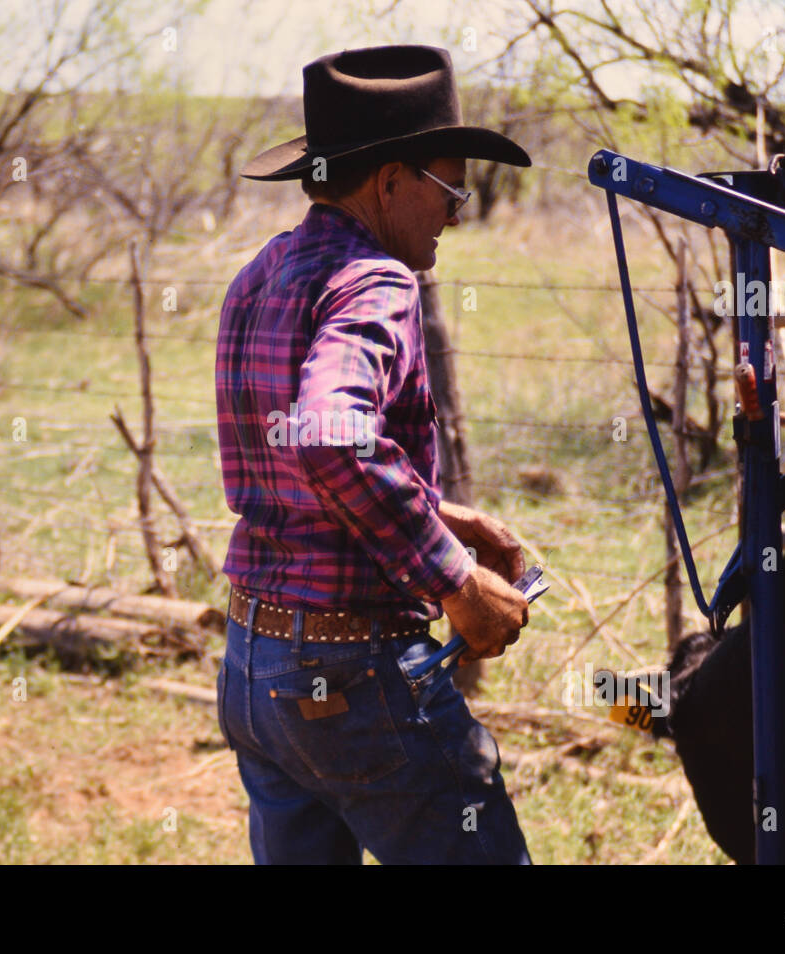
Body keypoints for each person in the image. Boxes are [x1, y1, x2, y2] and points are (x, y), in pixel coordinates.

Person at [214, 44, 534, 864]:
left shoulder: (259, 275)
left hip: (255, 666)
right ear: (391, 183)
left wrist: (442, 516)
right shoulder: (378, 281)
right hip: (349, 674)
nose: (456, 214)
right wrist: (456, 583)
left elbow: (284, 462)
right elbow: (330, 433)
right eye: (450, 188)